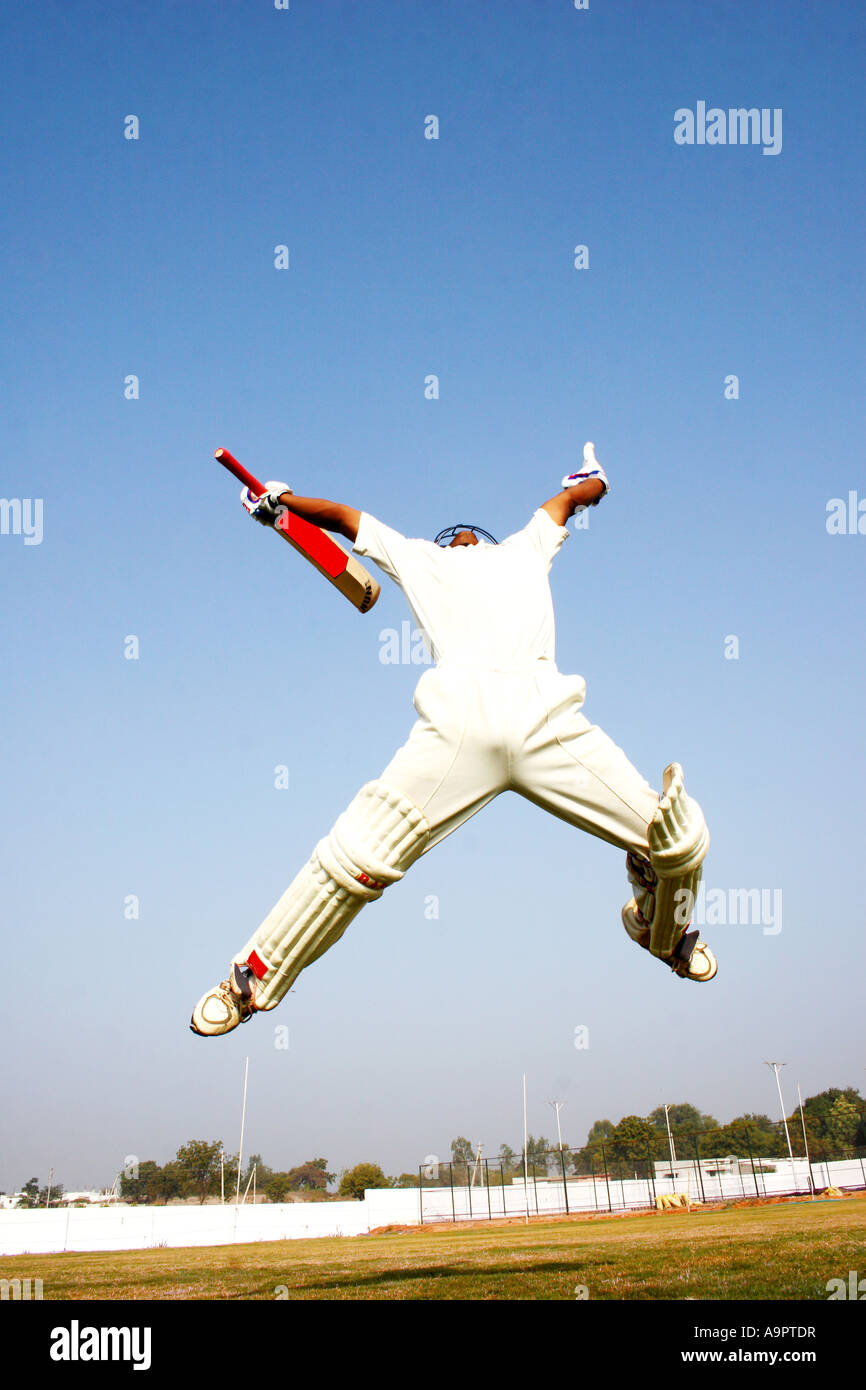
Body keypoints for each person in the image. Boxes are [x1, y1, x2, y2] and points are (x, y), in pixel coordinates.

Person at [190, 444, 715, 1037]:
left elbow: (572, 499)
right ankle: (250, 979)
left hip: (547, 714)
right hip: (457, 718)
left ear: (487, 540)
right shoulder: (419, 559)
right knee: (355, 857)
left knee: (679, 840)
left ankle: (660, 931)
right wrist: (281, 503)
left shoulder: (524, 548)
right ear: (443, 546)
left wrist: (593, 481)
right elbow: (341, 517)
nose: (463, 537)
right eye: (455, 535)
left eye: (470, 533)